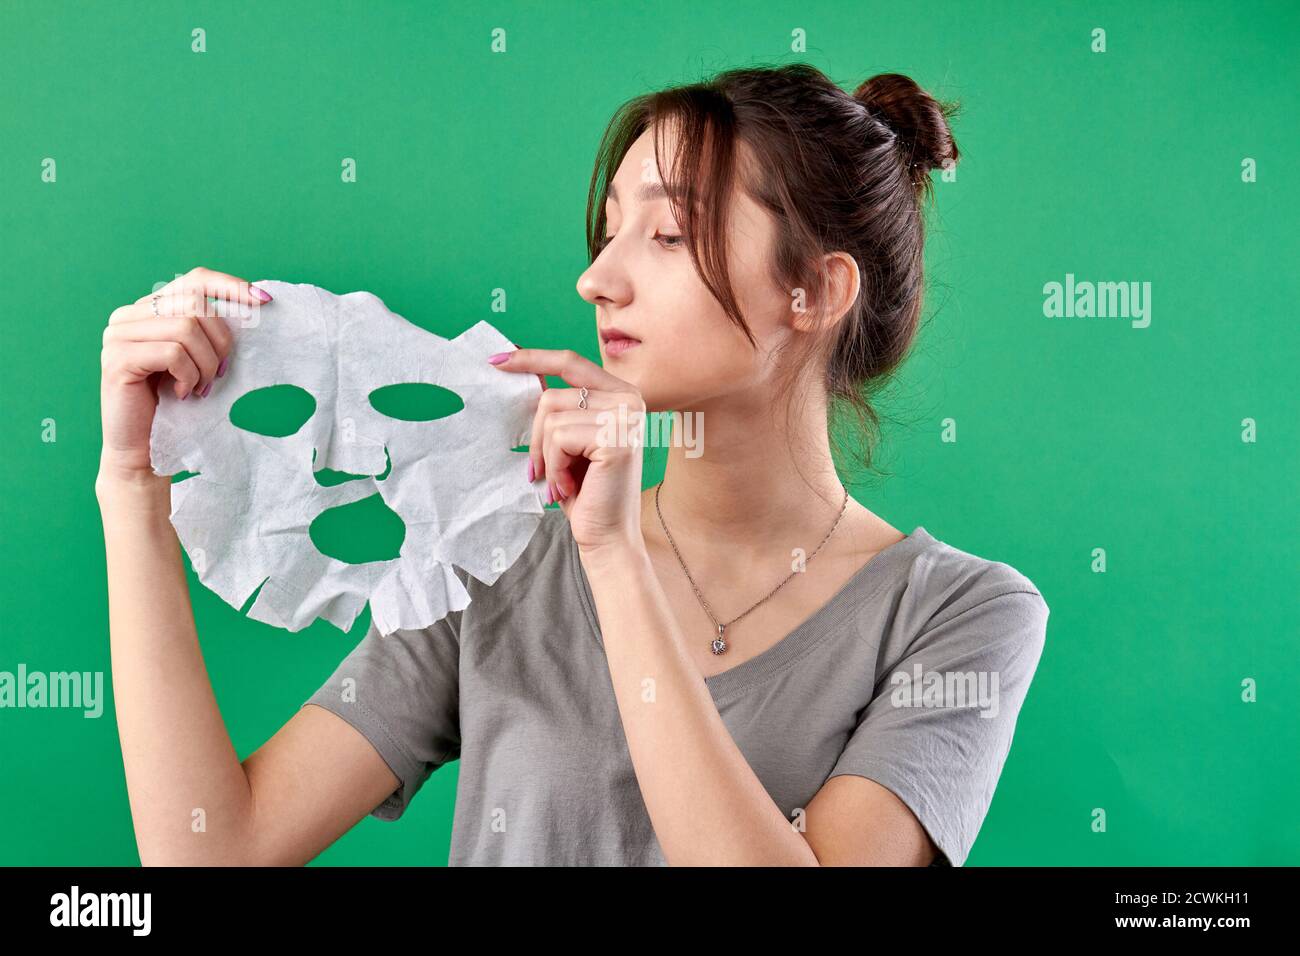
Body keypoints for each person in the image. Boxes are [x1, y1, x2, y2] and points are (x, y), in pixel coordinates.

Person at [96, 64, 1048, 867]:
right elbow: (210, 848)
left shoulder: (961, 617)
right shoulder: (494, 550)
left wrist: (614, 558)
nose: (597, 278)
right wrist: (133, 485)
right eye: (608, 231)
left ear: (816, 289)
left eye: (669, 236)